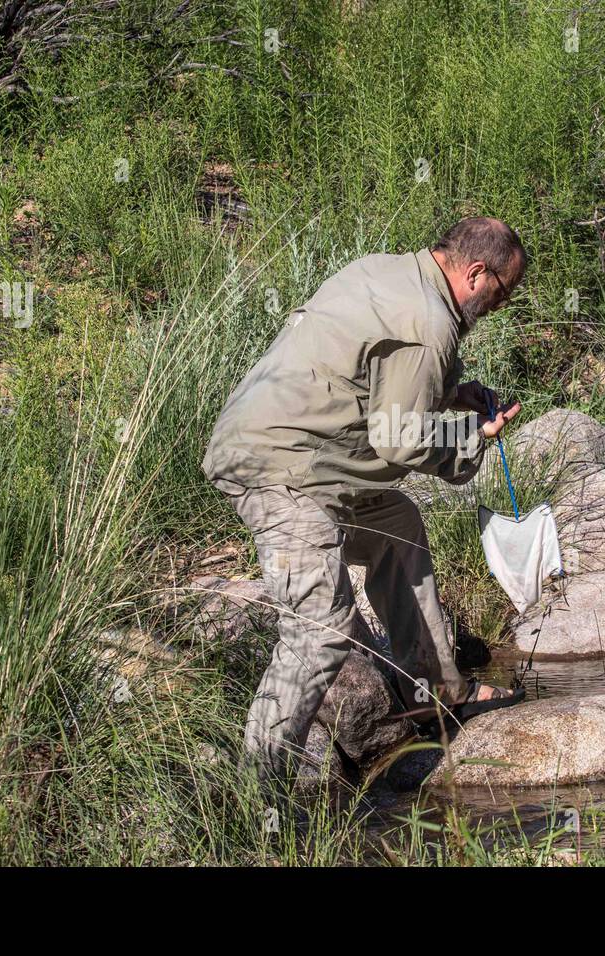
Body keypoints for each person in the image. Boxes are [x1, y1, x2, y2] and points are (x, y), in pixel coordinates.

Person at [203, 216, 527, 783]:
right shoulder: (430, 323)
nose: (502, 305)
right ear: (477, 273)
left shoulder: (387, 272)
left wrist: (453, 393)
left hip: (285, 447)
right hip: (280, 467)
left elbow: (370, 374)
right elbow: (399, 439)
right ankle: (257, 784)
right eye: (504, 292)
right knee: (321, 627)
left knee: (396, 526)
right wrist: (474, 437)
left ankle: (433, 692)